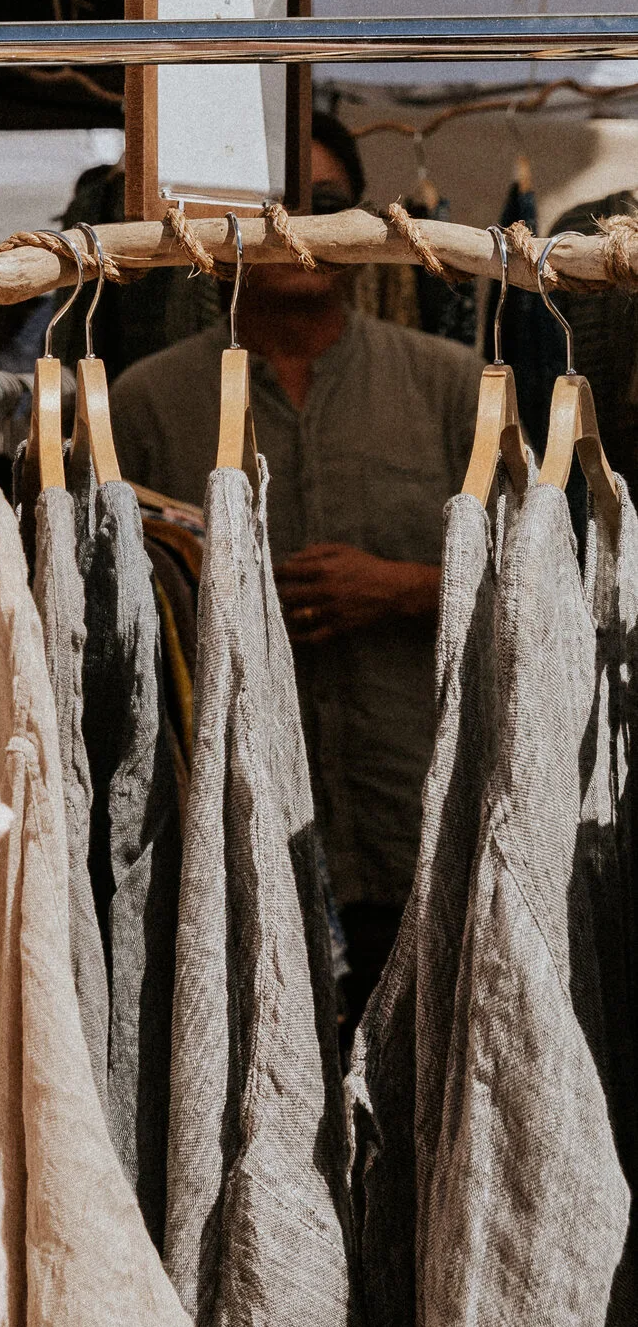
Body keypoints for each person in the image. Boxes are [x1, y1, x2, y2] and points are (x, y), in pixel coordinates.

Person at [107, 107, 480, 1013]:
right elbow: (107, 618)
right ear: (222, 226)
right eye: (270, 202)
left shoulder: (452, 385)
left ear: (358, 227)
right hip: (235, 831)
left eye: (322, 203)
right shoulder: (146, 402)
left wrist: (404, 589)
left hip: (416, 822)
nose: (295, 227)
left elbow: (548, 590)